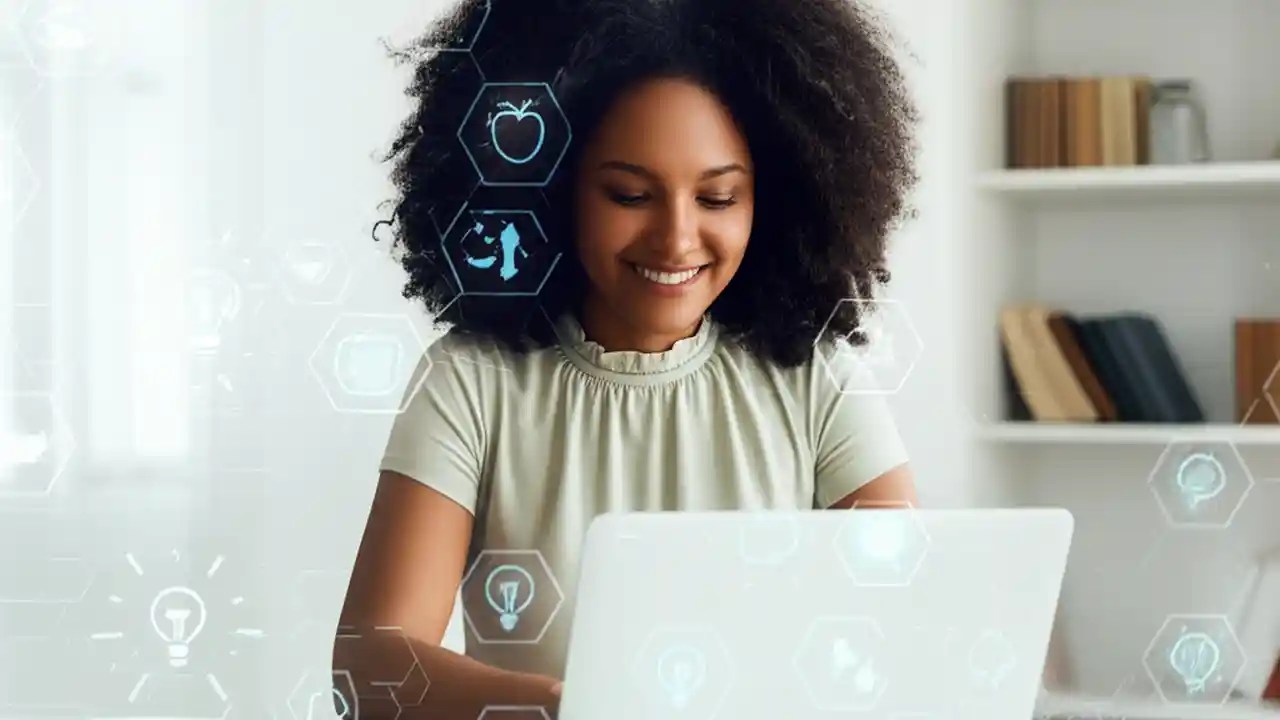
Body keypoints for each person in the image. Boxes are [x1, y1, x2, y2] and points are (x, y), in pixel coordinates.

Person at [335, 0, 921, 717]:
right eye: (631, 194)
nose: (677, 239)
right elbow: (371, 667)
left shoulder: (821, 386)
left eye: (718, 196)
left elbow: (901, 634)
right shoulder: (471, 381)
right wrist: (568, 707)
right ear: (551, 188)